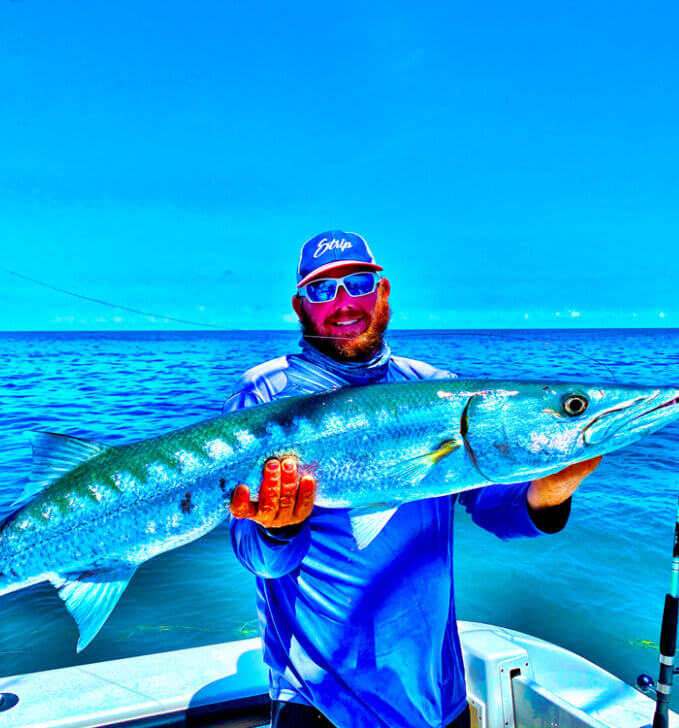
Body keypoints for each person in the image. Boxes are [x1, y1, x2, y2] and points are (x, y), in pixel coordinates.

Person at [223, 230, 600, 728]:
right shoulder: (268, 394)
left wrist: (550, 491)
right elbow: (257, 556)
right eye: (321, 290)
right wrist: (278, 528)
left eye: (357, 283)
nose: (342, 303)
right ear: (299, 307)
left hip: (433, 695)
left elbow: (492, 505)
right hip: (315, 697)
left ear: (382, 291)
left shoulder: (434, 386)